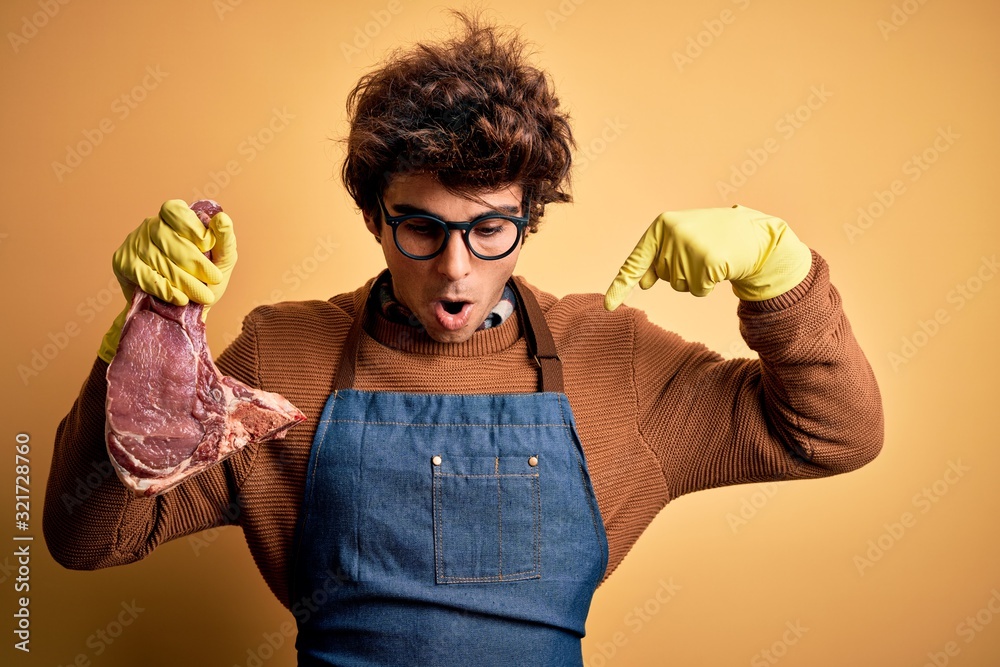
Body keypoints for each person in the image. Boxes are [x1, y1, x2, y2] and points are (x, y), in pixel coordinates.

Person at [43, 11, 883, 666]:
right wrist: (143, 337)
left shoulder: (611, 358)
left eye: (491, 231)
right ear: (375, 217)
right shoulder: (281, 354)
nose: (455, 268)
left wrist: (781, 270)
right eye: (422, 228)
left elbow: (834, 435)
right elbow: (87, 539)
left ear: (530, 218)